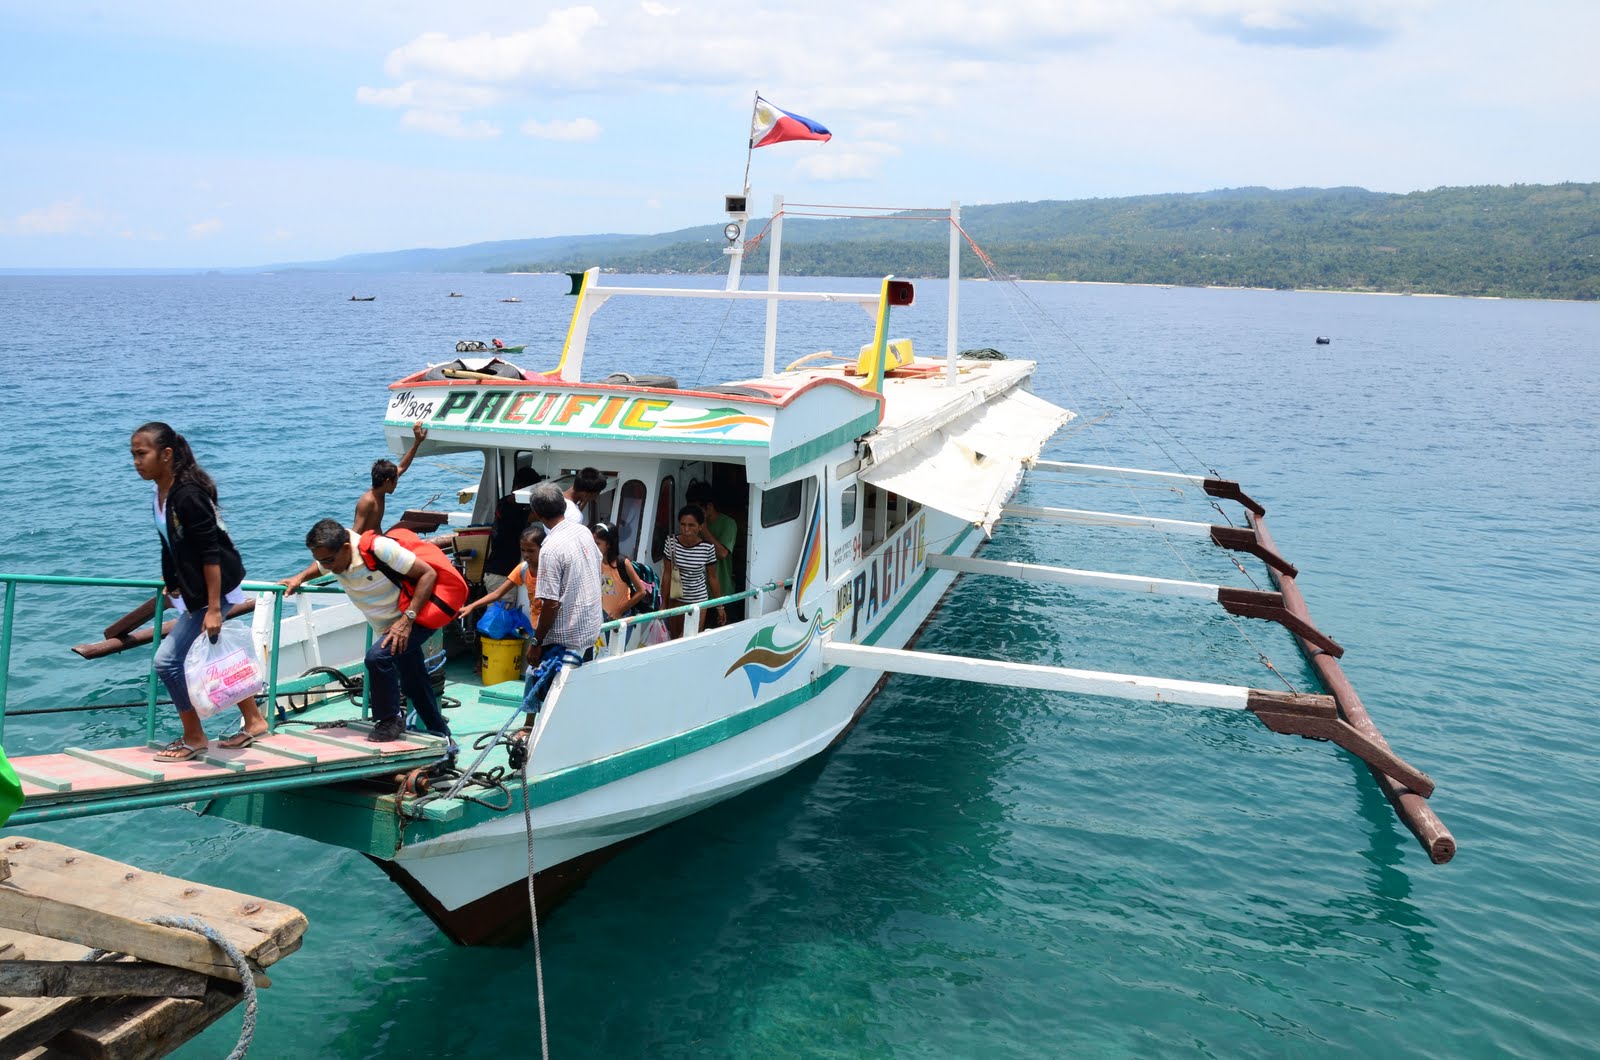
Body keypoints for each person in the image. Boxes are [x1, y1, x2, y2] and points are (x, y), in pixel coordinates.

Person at [130, 422, 268, 760]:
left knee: (167, 662)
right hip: (191, 588)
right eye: (133, 455)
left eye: (142, 454)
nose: (136, 461)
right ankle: (254, 720)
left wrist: (214, 608)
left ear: (166, 454)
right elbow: (170, 543)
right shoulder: (160, 494)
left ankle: (194, 736)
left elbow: (210, 551)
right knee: (214, 651)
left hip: (212, 586)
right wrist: (171, 580)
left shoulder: (188, 494)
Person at [281, 519, 454, 748]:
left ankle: (390, 720)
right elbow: (321, 566)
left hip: (416, 615)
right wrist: (299, 578)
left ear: (345, 548)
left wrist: (407, 620)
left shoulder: (379, 549)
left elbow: (428, 574)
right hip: (390, 624)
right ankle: (443, 735)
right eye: (321, 559)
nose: (327, 567)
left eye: (330, 560)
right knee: (414, 682)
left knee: (377, 658)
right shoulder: (335, 557)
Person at [522, 483, 603, 726]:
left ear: (536, 512)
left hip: (564, 639)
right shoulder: (582, 532)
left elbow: (550, 604)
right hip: (590, 631)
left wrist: (536, 643)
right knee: (573, 696)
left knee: (546, 694)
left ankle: (535, 733)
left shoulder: (550, 549)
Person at [457, 524, 544, 631]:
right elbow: (497, 593)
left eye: (531, 551)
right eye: (523, 550)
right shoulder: (523, 569)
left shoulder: (551, 570)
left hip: (552, 625)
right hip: (536, 625)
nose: (526, 555)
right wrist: (472, 606)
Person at [660, 504, 725, 639]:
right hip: (676, 600)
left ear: (700, 527)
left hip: (699, 602)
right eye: (683, 525)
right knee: (675, 639)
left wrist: (720, 607)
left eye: (691, 525)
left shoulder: (707, 548)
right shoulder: (671, 543)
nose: (686, 529)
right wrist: (664, 604)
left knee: (690, 638)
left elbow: (712, 578)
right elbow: (666, 574)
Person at [354, 421, 427, 534]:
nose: (397, 484)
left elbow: (402, 466)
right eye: (396, 481)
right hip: (369, 547)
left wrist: (417, 442)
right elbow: (356, 531)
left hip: (379, 541)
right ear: (388, 481)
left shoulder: (381, 490)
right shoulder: (367, 500)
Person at [685, 482, 737, 625]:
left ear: (708, 507)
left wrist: (704, 530)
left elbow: (722, 553)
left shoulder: (728, 524)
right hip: (698, 594)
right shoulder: (692, 525)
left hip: (722, 593)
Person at [484, 466, 542, 591]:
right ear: (520, 489)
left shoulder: (504, 501)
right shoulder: (510, 510)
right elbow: (541, 515)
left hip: (500, 573)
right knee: (502, 611)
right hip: (500, 575)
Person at [593, 522, 648, 621]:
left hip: (623, 615)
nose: (593, 547)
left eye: (597, 543)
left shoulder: (623, 563)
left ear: (609, 544)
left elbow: (641, 592)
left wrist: (619, 611)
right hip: (604, 613)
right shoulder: (595, 561)